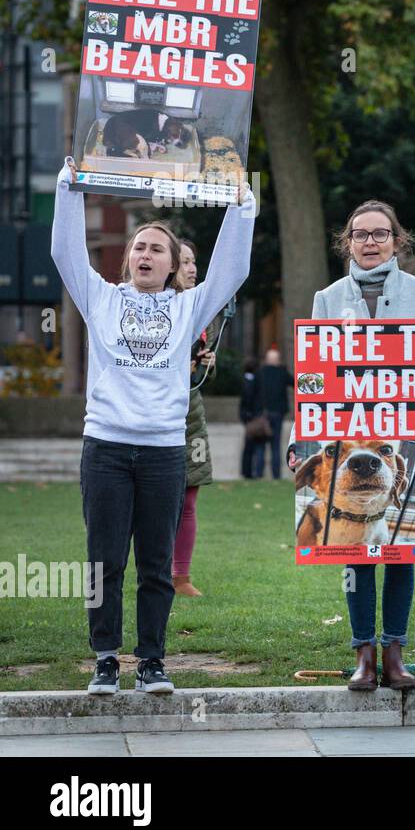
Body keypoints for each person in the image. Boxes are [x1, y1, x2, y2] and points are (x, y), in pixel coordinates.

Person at [52, 158, 255, 695]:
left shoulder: (189, 308)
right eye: (139, 246)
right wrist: (68, 187)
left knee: (157, 567)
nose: (145, 254)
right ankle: (104, 659)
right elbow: (64, 252)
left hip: (164, 452)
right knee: (104, 562)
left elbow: (232, 271)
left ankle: (151, 663)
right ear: (127, 260)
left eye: (157, 248)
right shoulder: (100, 298)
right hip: (106, 450)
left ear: (172, 266)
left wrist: (242, 204)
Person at [306, 198, 415, 691]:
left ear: (396, 240)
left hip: (409, 434)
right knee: (358, 551)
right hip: (349, 434)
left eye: (379, 234)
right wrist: (306, 440)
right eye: (360, 234)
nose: (369, 242)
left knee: (404, 549)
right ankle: (363, 652)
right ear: (348, 242)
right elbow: (316, 374)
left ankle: (395, 654)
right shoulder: (328, 297)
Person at [172, 240, 221, 598]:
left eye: (194, 262)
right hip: (162, 417)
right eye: (184, 262)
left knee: (189, 499)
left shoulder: (200, 313)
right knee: (158, 501)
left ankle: (181, 577)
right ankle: (156, 572)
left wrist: (203, 367)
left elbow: (198, 379)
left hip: (192, 418)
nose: (192, 269)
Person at [255, 348, 290, 479]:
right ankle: (276, 475)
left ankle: (259, 474)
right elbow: (295, 383)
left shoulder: (260, 373)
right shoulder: (282, 372)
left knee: (261, 445)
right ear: (278, 360)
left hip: (263, 414)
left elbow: (253, 393)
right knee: (276, 445)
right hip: (278, 413)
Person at [239, 357, 265, 479]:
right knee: (251, 446)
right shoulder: (253, 380)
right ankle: (248, 472)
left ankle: (247, 471)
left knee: (249, 446)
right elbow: (249, 398)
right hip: (252, 416)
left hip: (248, 416)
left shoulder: (246, 379)